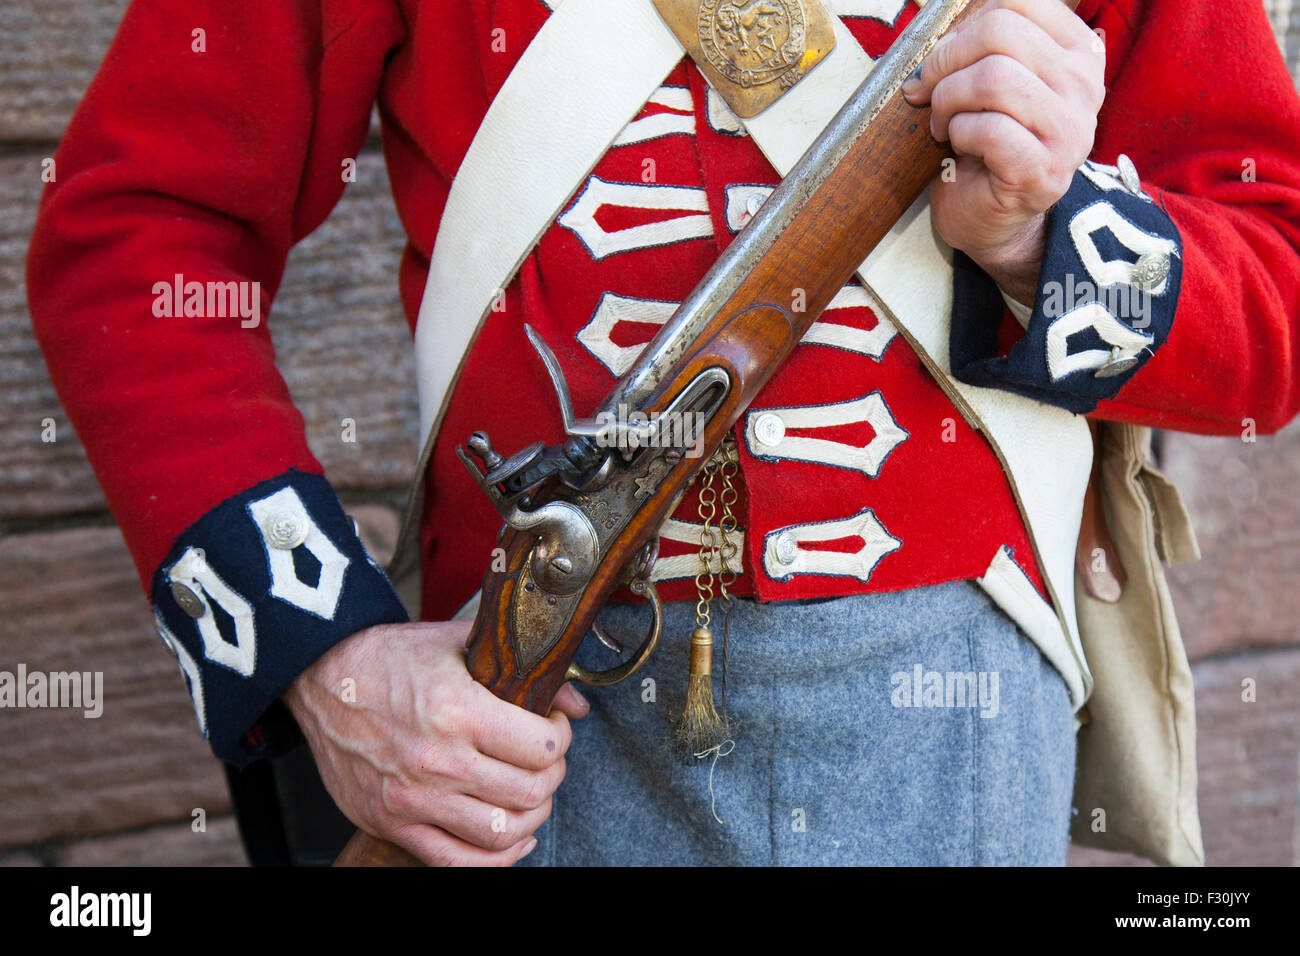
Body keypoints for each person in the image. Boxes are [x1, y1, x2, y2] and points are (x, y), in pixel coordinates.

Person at [27, 0, 1300, 866]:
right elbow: (135, 236)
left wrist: (1043, 239)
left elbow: (1272, 295)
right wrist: (326, 656)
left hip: (956, 741)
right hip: (512, 733)